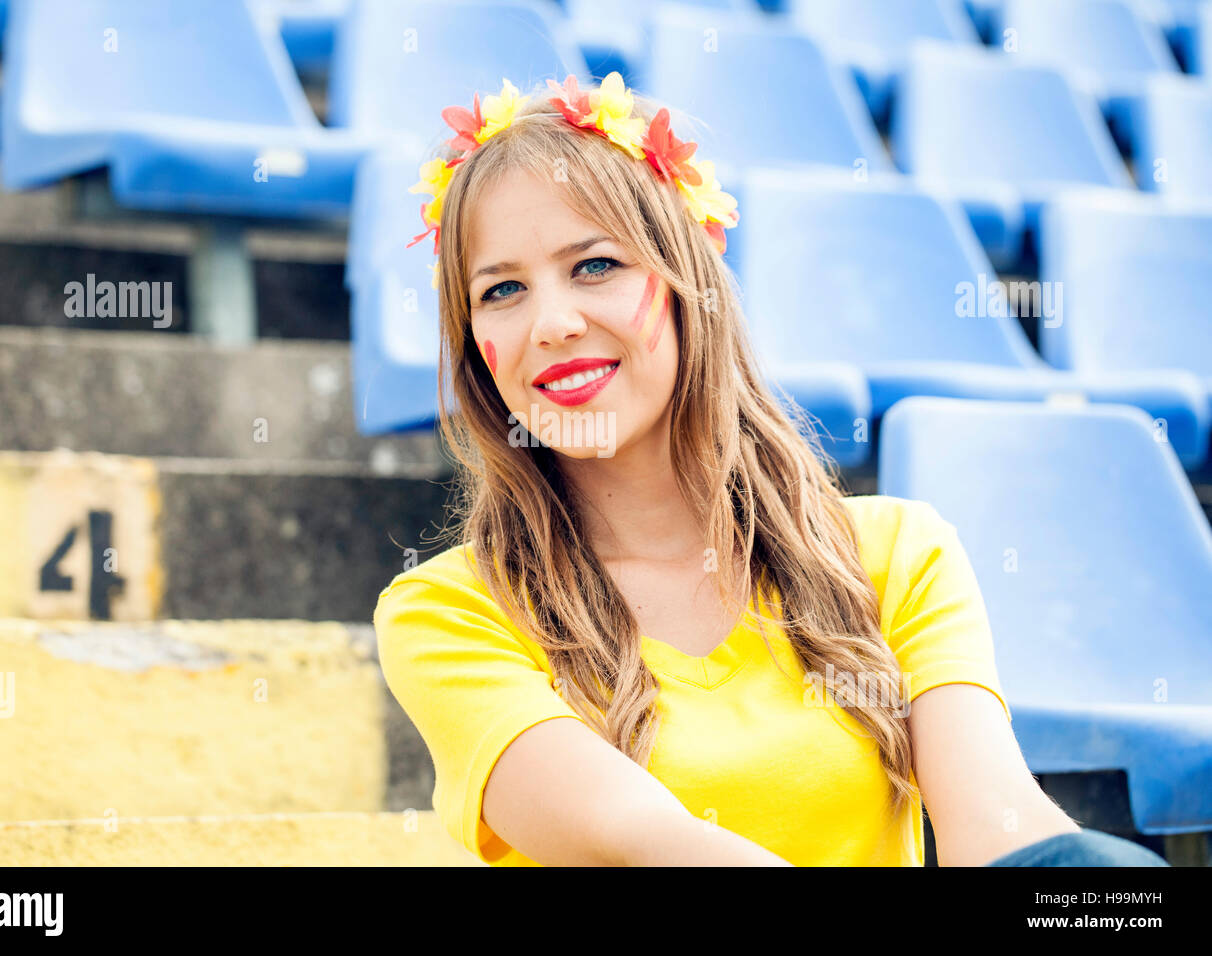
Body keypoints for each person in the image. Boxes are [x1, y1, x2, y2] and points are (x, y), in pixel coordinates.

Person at [373, 73, 1169, 868]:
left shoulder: (895, 552)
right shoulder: (448, 611)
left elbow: (999, 827)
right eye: (502, 289)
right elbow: (649, 846)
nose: (552, 323)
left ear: (689, 287)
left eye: (595, 266)